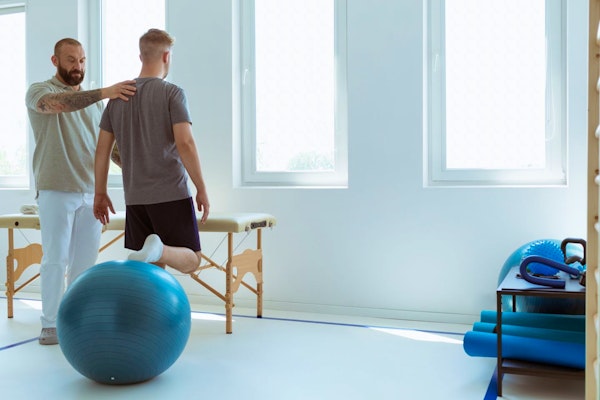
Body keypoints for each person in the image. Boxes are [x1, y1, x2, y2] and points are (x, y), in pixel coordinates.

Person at [25, 38, 137, 345]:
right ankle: (50, 324)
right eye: (71, 60)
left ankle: (75, 320)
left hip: (91, 191)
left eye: (82, 60)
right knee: (55, 259)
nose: (78, 66)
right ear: (55, 61)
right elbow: (60, 104)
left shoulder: (95, 105)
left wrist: (138, 167)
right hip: (56, 187)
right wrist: (105, 92)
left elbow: (106, 148)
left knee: (85, 264)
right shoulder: (39, 91)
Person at [93, 29, 210, 277]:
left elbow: (102, 151)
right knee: (192, 260)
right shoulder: (172, 93)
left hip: (135, 197)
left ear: (141, 57)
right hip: (170, 192)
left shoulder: (117, 98)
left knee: (152, 268)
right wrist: (201, 187)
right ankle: (161, 250)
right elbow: (185, 143)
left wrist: (100, 193)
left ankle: (158, 254)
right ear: (166, 56)